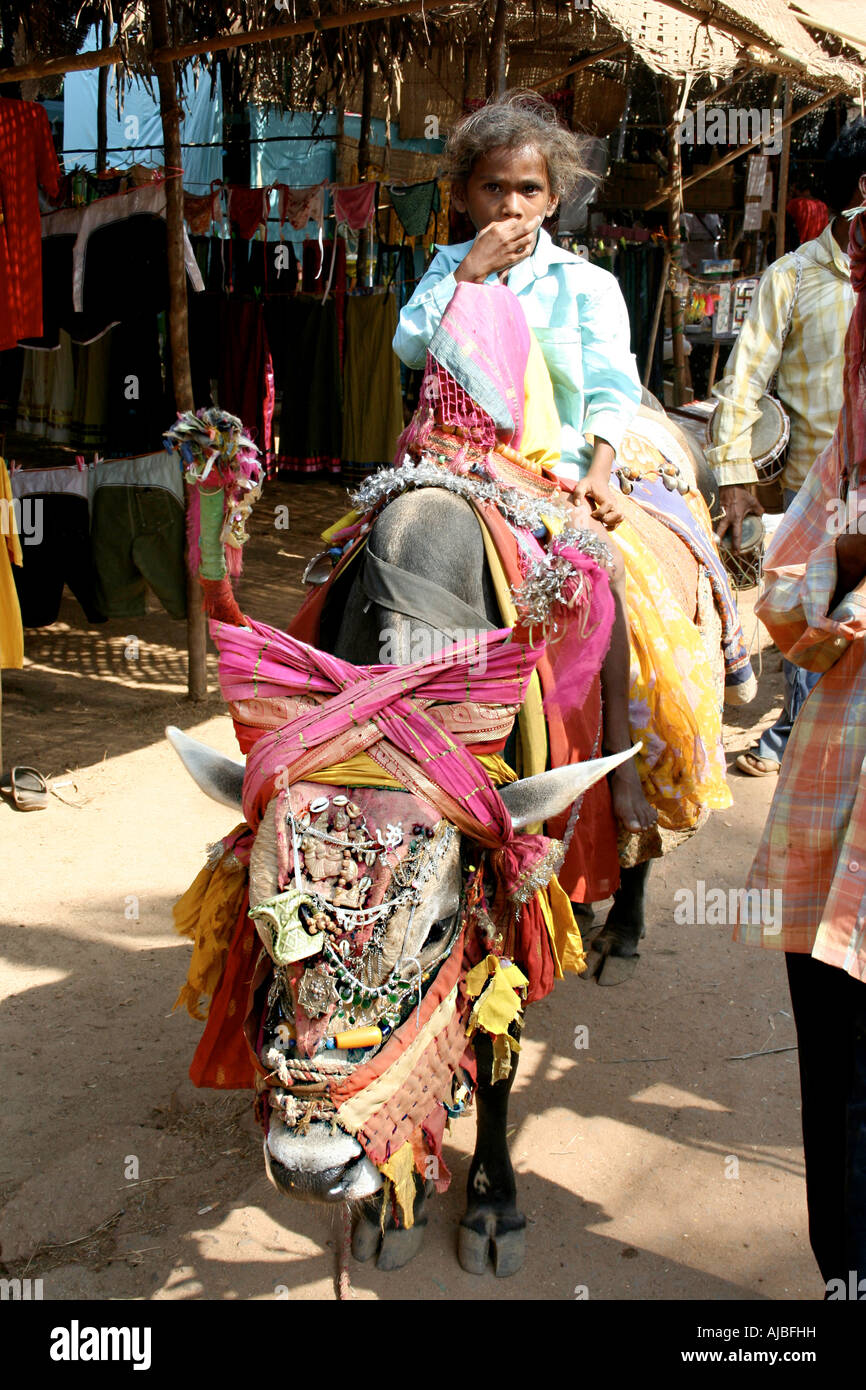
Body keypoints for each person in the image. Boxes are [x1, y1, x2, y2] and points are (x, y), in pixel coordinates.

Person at [393, 91, 655, 835]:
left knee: (598, 565)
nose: (511, 204)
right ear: (463, 194)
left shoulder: (588, 285)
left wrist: (598, 474)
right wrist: (468, 276)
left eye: (529, 189)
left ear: (555, 196)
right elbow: (409, 349)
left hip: (551, 472)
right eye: (493, 188)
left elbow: (611, 389)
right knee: (359, 555)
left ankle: (619, 754)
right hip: (453, 463)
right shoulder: (446, 267)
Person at [736, 185, 866, 1295]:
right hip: (829, 807)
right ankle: (841, 1273)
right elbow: (782, 603)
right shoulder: (843, 473)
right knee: (830, 1057)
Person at [708, 119, 866, 775]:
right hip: (822, 491)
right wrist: (736, 480)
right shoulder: (792, 278)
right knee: (821, 610)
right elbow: (743, 379)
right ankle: (800, 740)